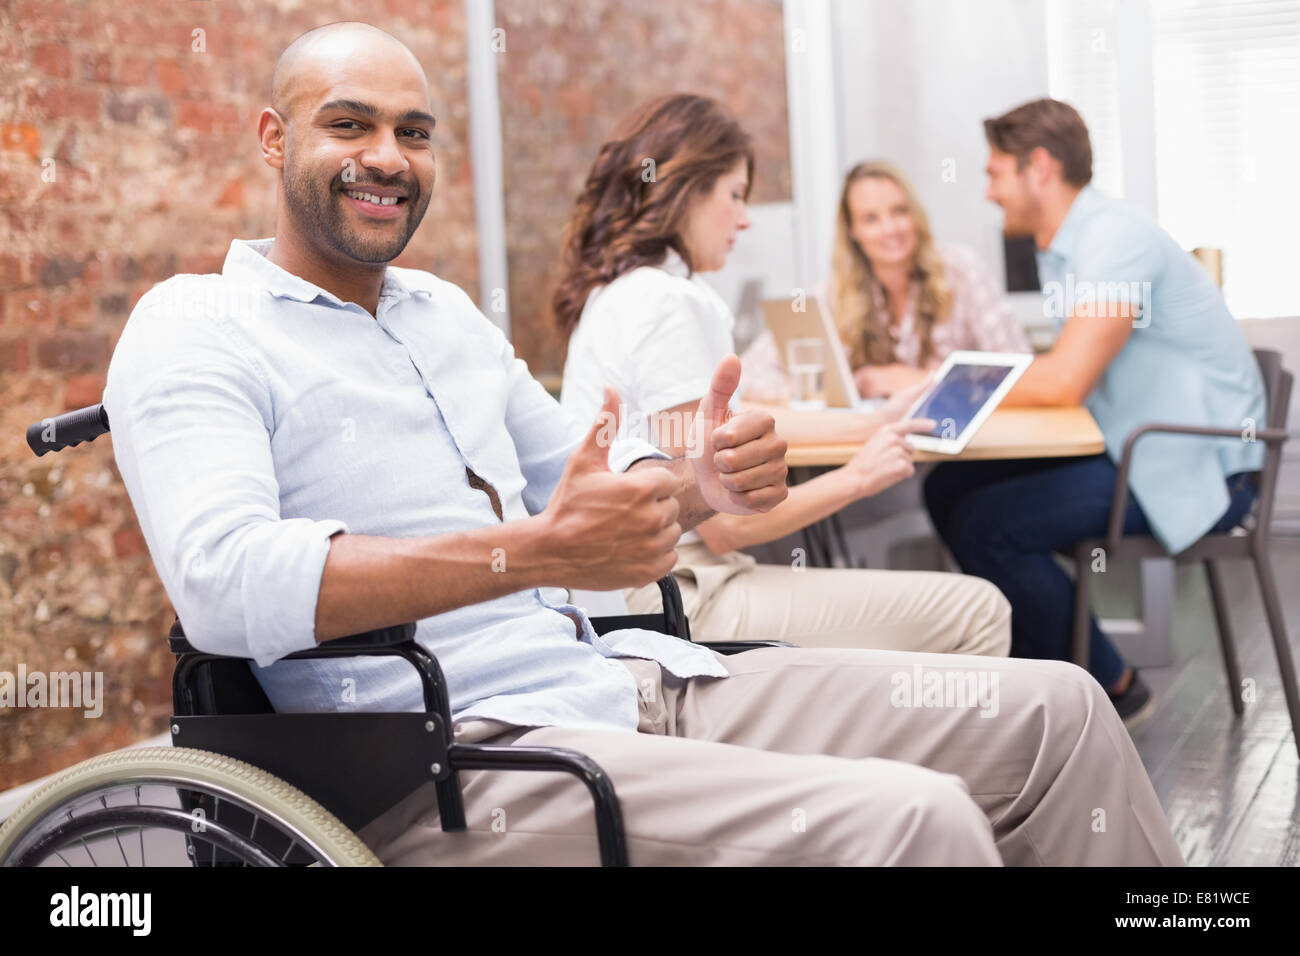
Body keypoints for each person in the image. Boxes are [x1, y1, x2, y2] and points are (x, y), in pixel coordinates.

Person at [103, 24, 1184, 865]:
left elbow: (590, 471)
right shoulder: (195, 324)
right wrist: (531, 555)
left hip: (625, 672)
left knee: (1060, 709)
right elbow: (228, 587)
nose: (387, 156)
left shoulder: (439, 313)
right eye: (349, 125)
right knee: (919, 821)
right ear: (273, 137)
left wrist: (698, 484)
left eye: (413, 131)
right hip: (454, 756)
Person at [556, 94, 1010, 656]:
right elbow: (725, 517)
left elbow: (720, 449)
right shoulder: (669, 303)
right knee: (980, 609)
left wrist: (873, 424)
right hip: (678, 593)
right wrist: (859, 477)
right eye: (736, 194)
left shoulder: (626, 290)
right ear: (689, 190)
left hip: (643, 586)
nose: (745, 218)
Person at [923, 98, 1266, 726]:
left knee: (991, 526)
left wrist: (935, 381)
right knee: (949, 485)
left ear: (1040, 169)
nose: (990, 192)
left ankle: (1113, 684)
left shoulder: (1115, 239)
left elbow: (1065, 381)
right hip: (1145, 448)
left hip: (1198, 467)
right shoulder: (1077, 246)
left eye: (996, 173)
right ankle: (1045, 670)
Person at [740, 160, 1029, 404]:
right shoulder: (833, 295)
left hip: (958, 455)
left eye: (899, 211)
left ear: (914, 216)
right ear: (853, 231)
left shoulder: (961, 271)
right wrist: (840, 391)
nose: (890, 229)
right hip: (876, 449)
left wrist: (919, 380)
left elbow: (1020, 371)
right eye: (871, 219)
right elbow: (749, 374)